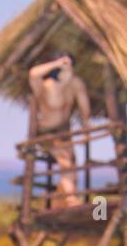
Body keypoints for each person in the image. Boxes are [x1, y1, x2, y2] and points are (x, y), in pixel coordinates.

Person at [28, 52, 91, 208]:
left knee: (71, 163)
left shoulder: (76, 84)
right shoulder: (46, 85)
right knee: (65, 161)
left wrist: (86, 131)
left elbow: (85, 112)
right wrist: (57, 63)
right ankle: (70, 199)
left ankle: (67, 198)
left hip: (64, 131)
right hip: (46, 132)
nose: (67, 69)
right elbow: (33, 74)